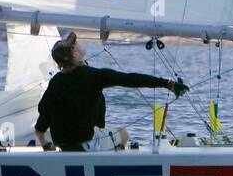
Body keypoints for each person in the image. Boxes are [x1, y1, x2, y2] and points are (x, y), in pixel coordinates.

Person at [34, 31, 186, 151]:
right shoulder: (94, 76)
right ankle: (108, 162)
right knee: (123, 134)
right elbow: (131, 79)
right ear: (74, 54)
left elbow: (43, 115)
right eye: (75, 44)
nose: (78, 44)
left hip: (62, 143)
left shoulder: (55, 82)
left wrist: (46, 144)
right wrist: (168, 84)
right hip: (85, 144)